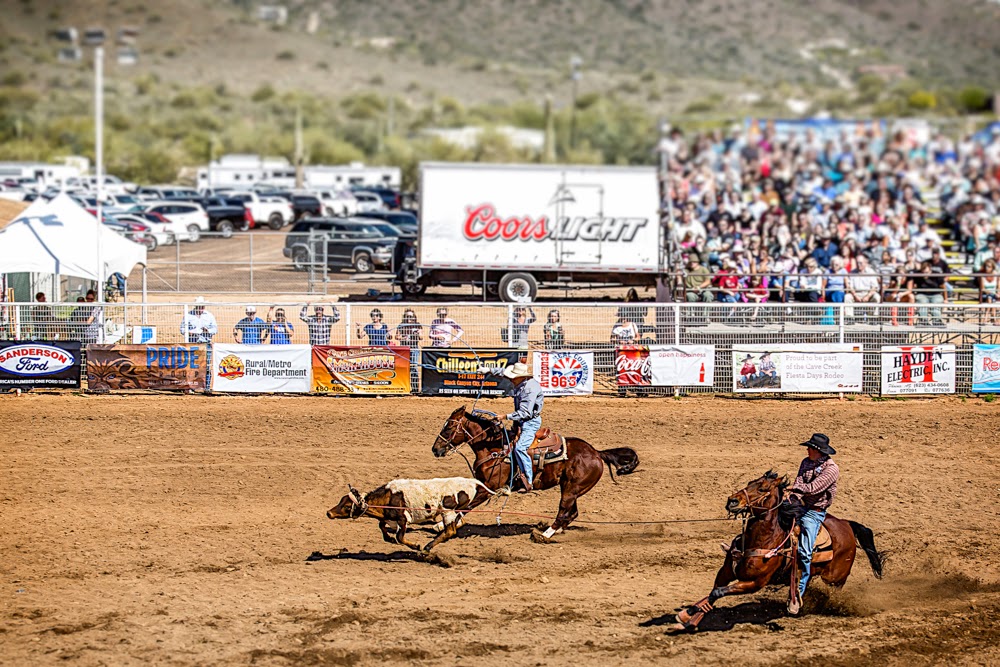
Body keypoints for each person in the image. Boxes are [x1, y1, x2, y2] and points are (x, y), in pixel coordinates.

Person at [786, 433, 840, 615]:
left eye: (810, 447)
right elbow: (799, 482)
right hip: (800, 505)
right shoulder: (805, 462)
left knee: (805, 552)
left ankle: (797, 595)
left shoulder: (832, 469)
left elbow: (813, 488)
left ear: (818, 451)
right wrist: (791, 499)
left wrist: (795, 489)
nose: (807, 449)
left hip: (814, 512)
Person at [478, 361, 543, 493]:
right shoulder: (521, 383)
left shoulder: (530, 389)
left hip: (530, 422)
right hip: (520, 421)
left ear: (521, 377)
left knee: (519, 448)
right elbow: (503, 373)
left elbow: (525, 413)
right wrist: (487, 370)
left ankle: (528, 480)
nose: (510, 379)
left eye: (513, 377)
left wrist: (504, 416)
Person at [845, 255, 880, 322]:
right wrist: (855, 295)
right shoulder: (852, 272)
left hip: (868, 293)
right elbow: (850, 287)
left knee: (877, 297)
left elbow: (874, 287)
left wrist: (868, 296)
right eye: (857, 263)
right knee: (847, 297)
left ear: (865, 263)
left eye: (860, 263)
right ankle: (850, 318)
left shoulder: (871, 272)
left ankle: (873, 318)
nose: (858, 265)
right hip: (856, 293)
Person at [395, 309, 423, 387]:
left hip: (414, 348)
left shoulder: (417, 325)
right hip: (404, 349)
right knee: (403, 367)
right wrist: (404, 338)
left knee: (414, 367)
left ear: (414, 317)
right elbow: (397, 336)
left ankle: (415, 388)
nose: (409, 318)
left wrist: (417, 334)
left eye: (410, 316)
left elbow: (421, 337)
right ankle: (404, 387)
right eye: (407, 316)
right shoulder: (401, 325)